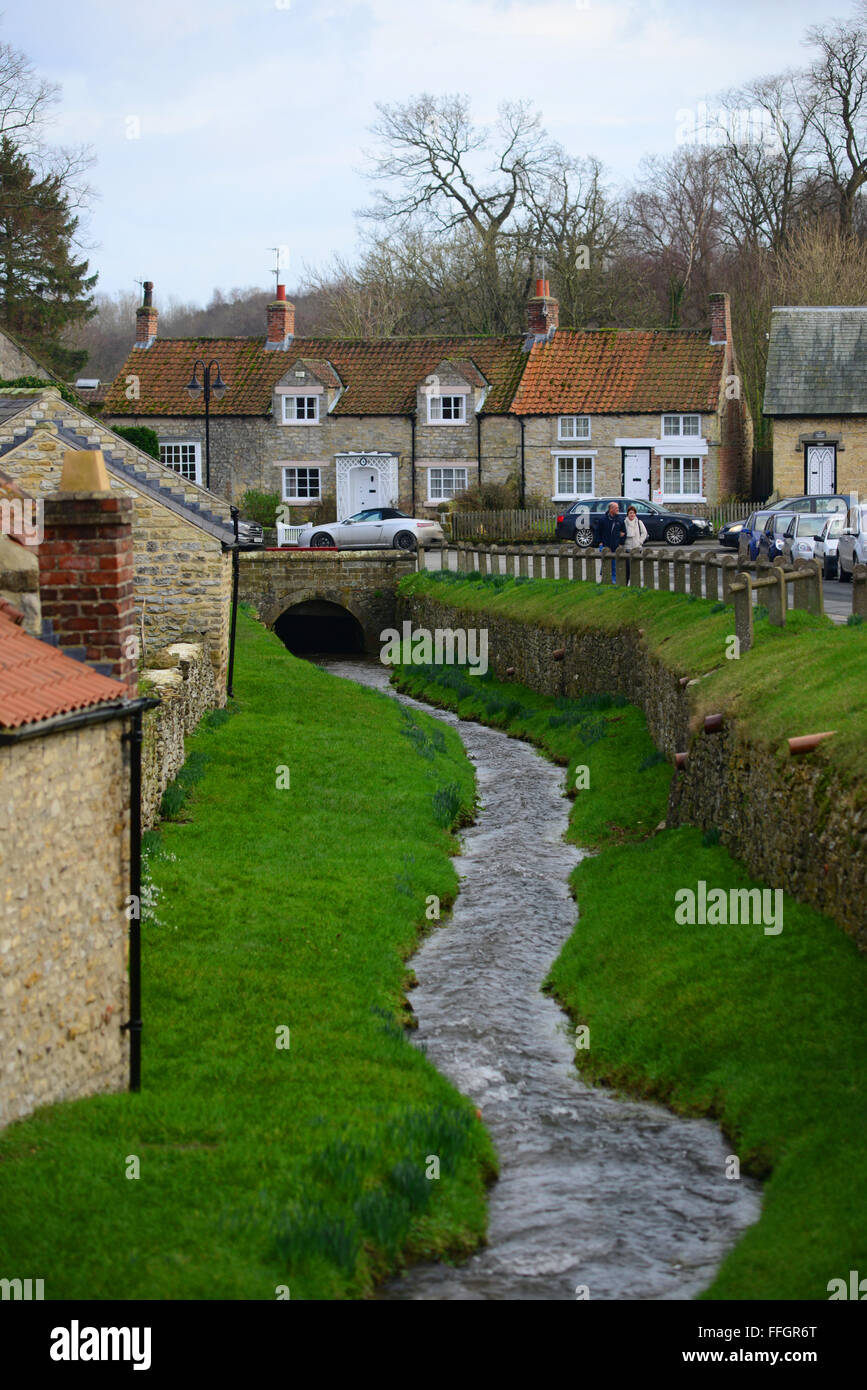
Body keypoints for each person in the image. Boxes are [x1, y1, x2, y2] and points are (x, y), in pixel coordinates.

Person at [597, 502, 627, 583]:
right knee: (605, 562)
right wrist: (600, 543)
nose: (618, 509)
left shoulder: (620, 519)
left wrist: (621, 542)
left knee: (614, 564)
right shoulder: (602, 519)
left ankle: (613, 581)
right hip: (605, 545)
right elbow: (598, 532)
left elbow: (624, 532)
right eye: (616, 508)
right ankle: (604, 578)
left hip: (615, 545)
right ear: (611, 509)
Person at [623, 505, 648, 584]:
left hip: (637, 548)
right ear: (627, 514)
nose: (632, 515)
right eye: (630, 513)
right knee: (627, 568)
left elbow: (644, 533)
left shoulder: (639, 522)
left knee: (635, 567)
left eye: (633, 513)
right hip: (627, 548)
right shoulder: (624, 522)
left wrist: (640, 542)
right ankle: (626, 583)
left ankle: (635, 583)